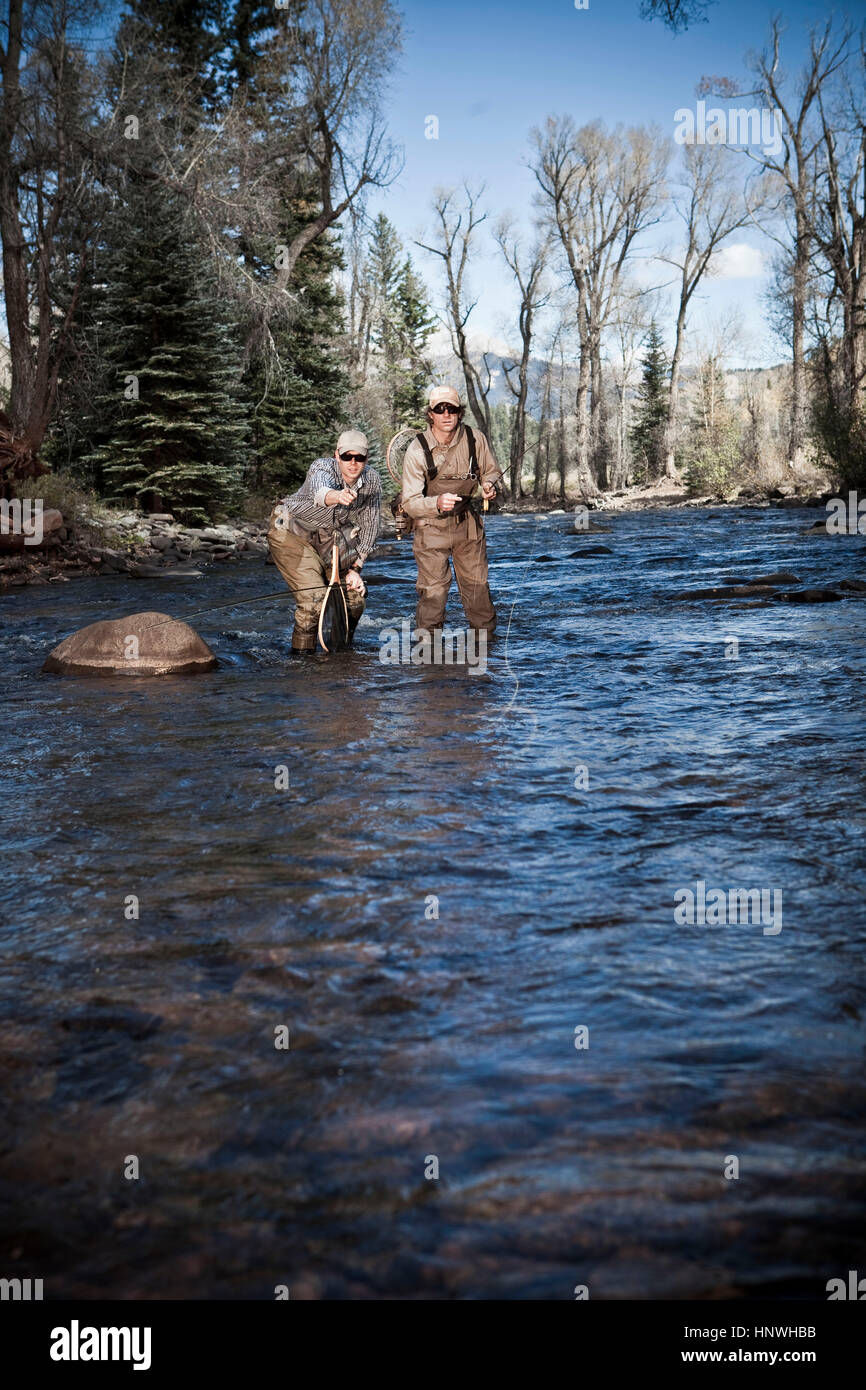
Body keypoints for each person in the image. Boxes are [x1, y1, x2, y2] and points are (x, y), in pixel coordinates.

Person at [267, 430, 381, 652]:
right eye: (347, 456)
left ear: (366, 460)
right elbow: (320, 492)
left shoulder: (372, 481)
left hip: (330, 538)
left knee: (355, 600)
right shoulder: (322, 467)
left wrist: (356, 568)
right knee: (314, 601)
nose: (353, 463)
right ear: (337, 456)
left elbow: (370, 527)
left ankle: (339, 655)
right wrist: (337, 496)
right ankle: (302, 659)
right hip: (291, 533)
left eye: (359, 458)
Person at [400, 386, 501, 635]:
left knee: (478, 591)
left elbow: (491, 470)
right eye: (440, 409)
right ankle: (429, 658)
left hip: (467, 525)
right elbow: (410, 502)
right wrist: (435, 503)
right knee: (433, 595)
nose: (446, 415)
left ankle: (485, 654)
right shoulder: (417, 449)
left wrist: (489, 484)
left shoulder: (475, 438)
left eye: (452, 409)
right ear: (430, 414)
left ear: (459, 413)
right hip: (430, 527)